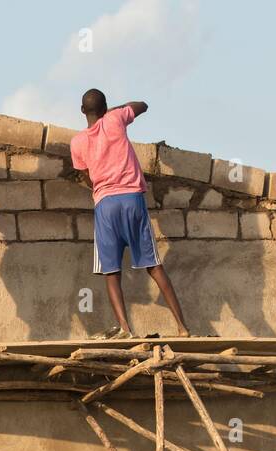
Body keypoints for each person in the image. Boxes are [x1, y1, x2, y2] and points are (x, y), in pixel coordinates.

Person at [70, 88, 190, 338]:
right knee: (154, 266)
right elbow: (142, 104)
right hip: (132, 199)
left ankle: (125, 328)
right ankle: (182, 327)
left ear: (83, 111)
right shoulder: (115, 119)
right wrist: (114, 111)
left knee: (111, 272)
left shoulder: (77, 142)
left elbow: (86, 176)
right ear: (106, 108)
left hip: (105, 204)